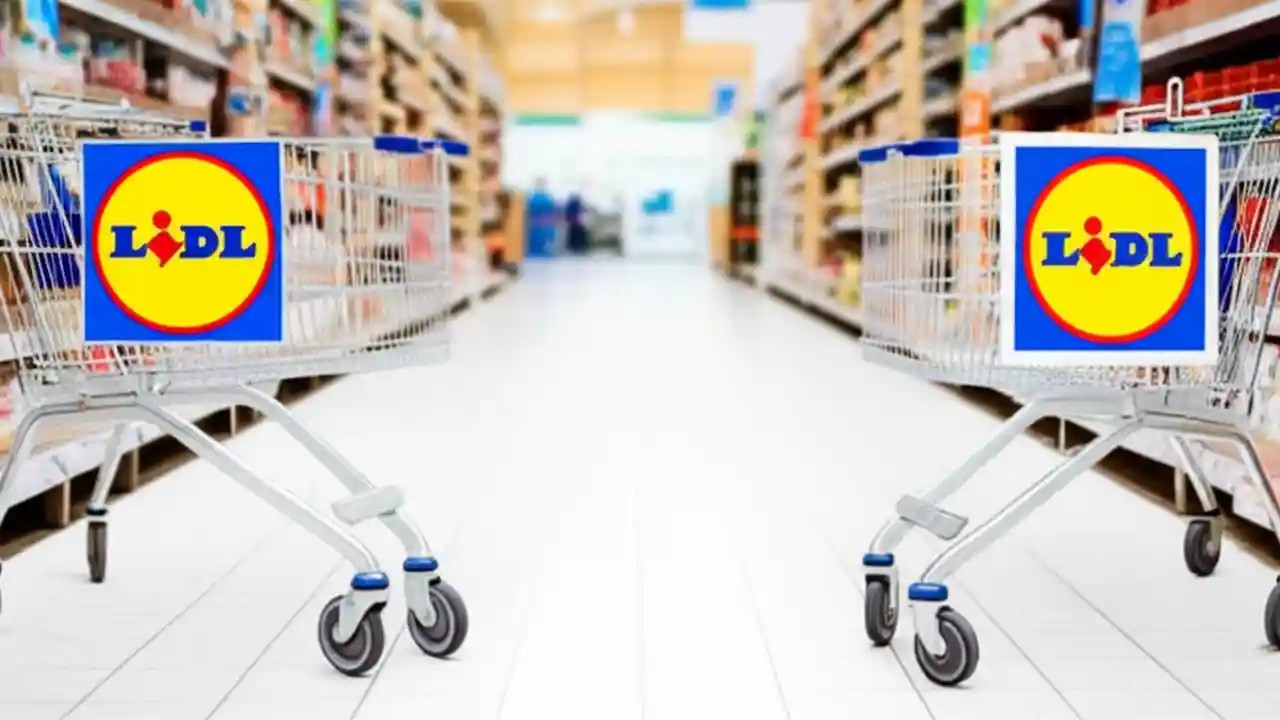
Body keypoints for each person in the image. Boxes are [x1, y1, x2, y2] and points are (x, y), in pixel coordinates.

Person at [525, 177, 558, 258]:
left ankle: (540, 251)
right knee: (536, 240)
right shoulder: (538, 198)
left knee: (542, 240)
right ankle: (538, 251)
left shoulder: (542, 197)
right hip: (538, 223)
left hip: (542, 223)